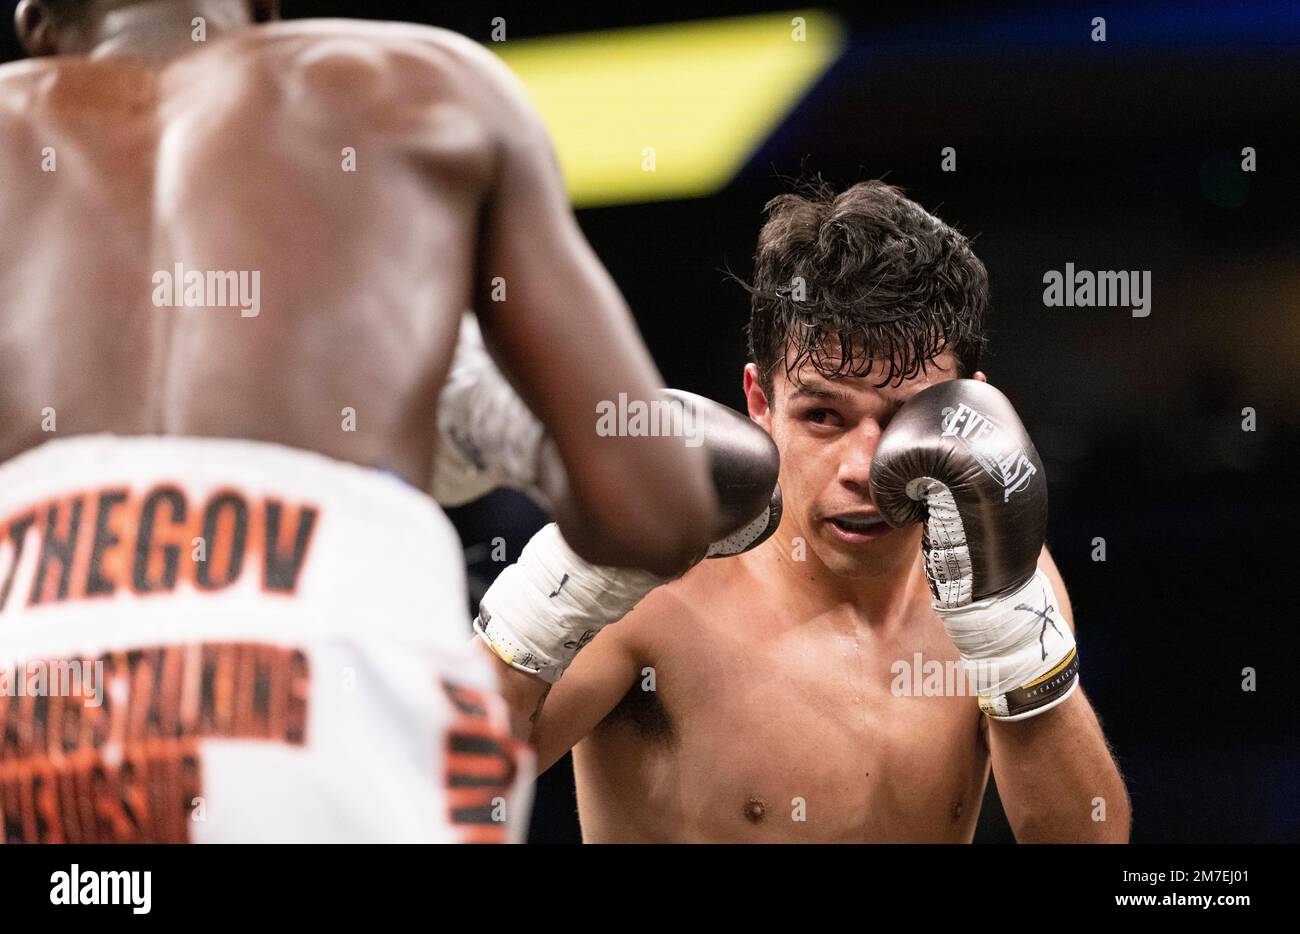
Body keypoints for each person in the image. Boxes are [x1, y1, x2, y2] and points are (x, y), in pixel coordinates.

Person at [0, 0, 737, 842]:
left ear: (38, 32)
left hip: (36, 707)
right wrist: (491, 419)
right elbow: (657, 506)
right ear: (267, 15)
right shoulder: (428, 87)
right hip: (330, 710)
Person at [476, 180, 1132, 842]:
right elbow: (422, 790)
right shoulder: (662, 592)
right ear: (759, 402)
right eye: (823, 416)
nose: (865, 470)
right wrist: (549, 595)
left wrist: (1012, 640)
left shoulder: (1007, 573)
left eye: (906, 418)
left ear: (967, 412)